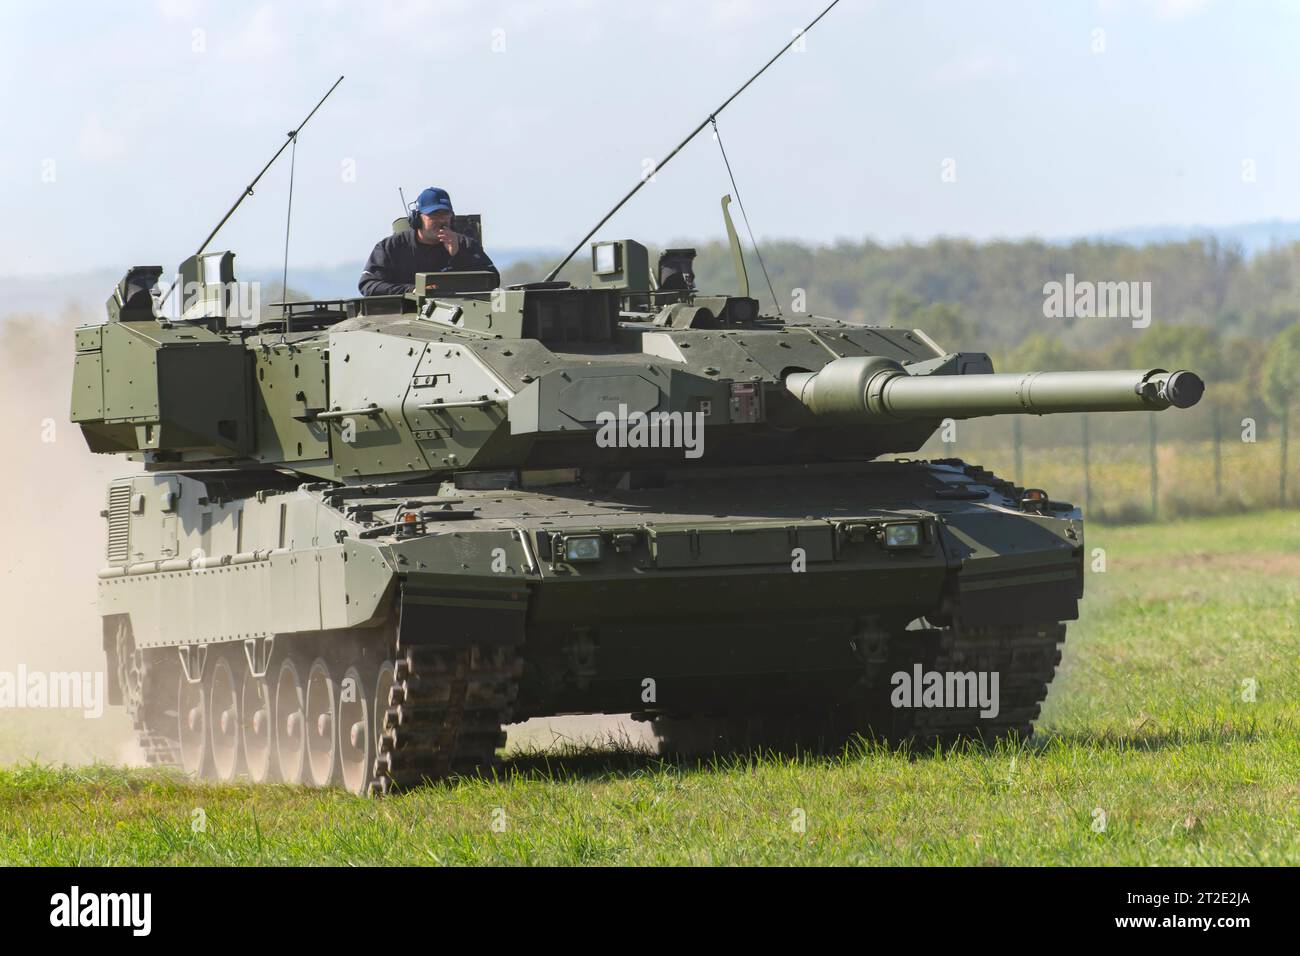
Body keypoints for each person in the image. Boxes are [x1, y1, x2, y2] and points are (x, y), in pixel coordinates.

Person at [358, 186, 499, 296]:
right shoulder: (391, 247)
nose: (442, 220)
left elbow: (493, 280)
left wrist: (458, 255)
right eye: (434, 215)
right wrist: (412, 290)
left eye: (446, 214)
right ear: (418, 219)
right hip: (407, 315)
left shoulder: (465, 245)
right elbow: (368, 285)